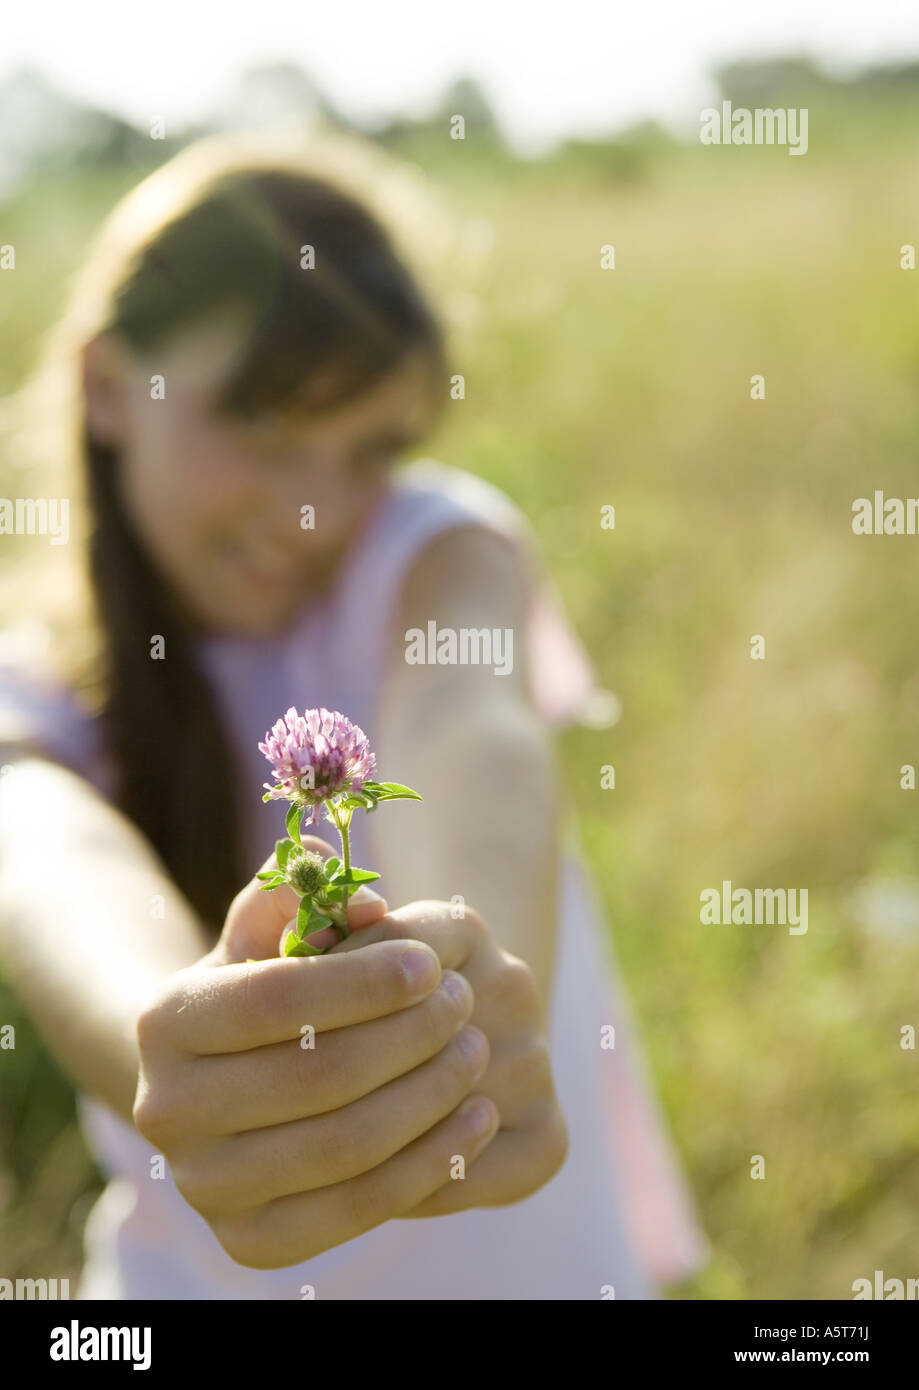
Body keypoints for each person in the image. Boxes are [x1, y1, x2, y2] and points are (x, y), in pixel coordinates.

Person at [0, 128, 708, 1299]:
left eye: (370, 446)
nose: (318, 511)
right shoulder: (36, 698)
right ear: (108, 388)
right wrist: (173, 1039)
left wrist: (479, 965)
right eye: (266, 427)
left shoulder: (434, 552)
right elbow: (49, 862)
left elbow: (468, 721)